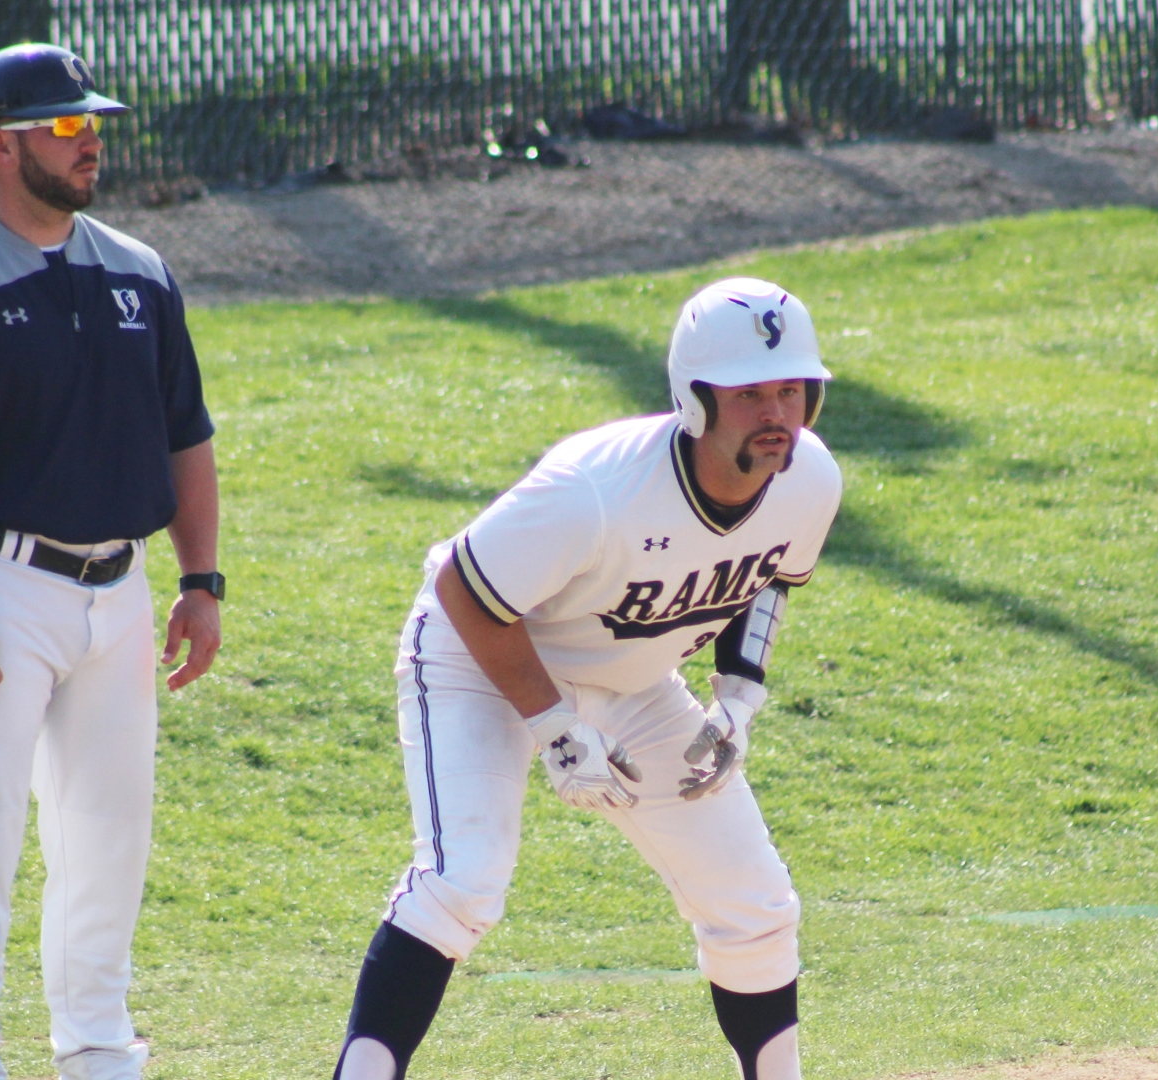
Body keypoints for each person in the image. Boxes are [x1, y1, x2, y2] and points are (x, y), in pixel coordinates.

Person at [331, 278, 843, 1080]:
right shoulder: (596, 489)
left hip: (635, 679)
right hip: (482, 658)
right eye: (750, 394)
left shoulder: (810, 479)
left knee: (754, 902)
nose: (776, 413)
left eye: (791, 390)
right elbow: (465, 591)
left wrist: (740, 693)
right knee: (463, 882)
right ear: (698, 399)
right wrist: (551, 724)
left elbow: (769, 573)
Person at [0, 43, 225, 1080]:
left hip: (122, 593)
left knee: (108, 841)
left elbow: (186, 437)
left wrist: (200, 583)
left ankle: (98, 1048)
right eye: (66, 125)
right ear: (1, 145)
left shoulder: (140, 274)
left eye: (91, 120)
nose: (90, 137)